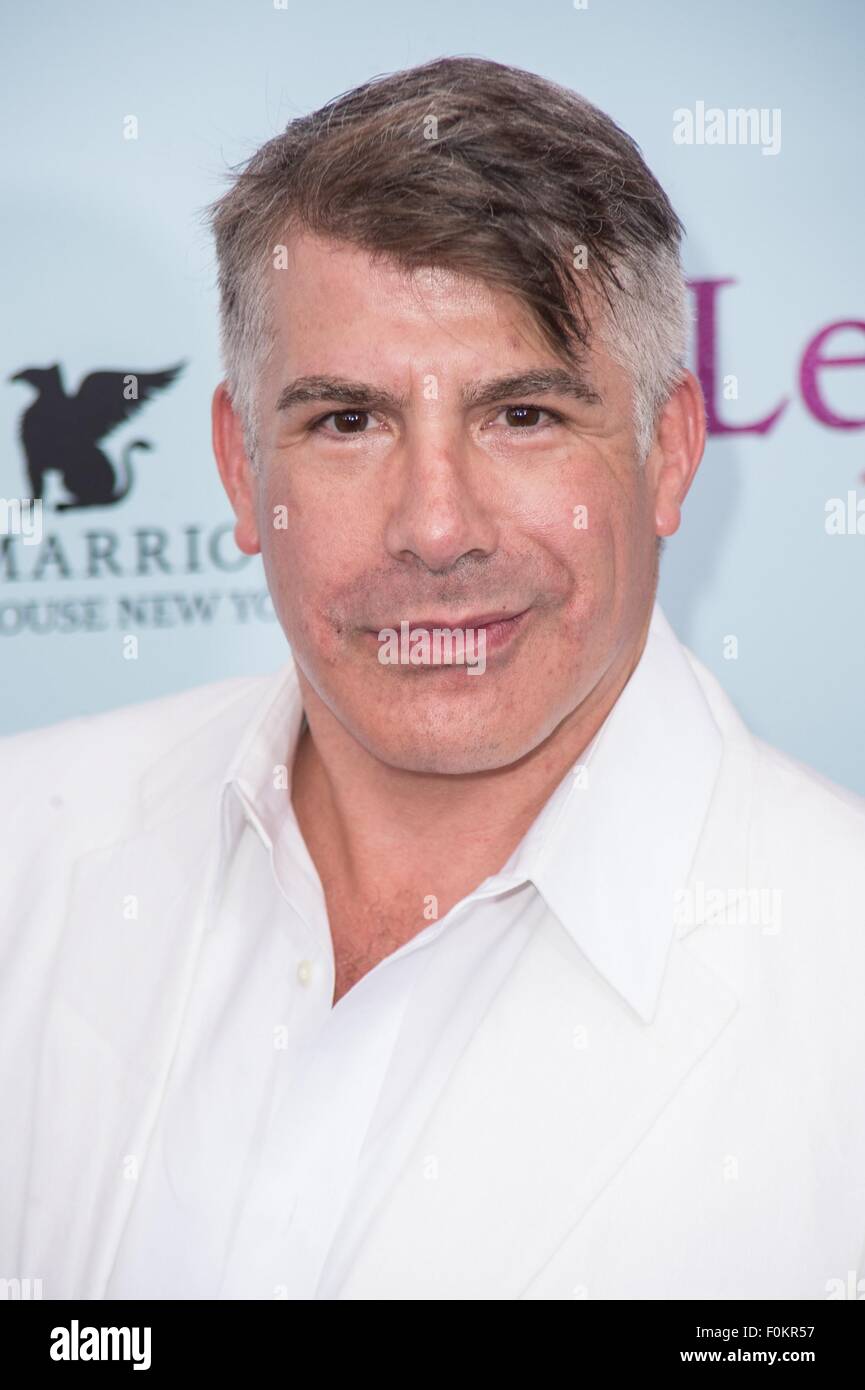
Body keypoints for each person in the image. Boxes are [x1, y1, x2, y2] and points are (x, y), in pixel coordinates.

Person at [2, 55, 864, 1302]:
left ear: (666, 452)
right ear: (244, 472)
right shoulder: (29, 848)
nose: (436, 526)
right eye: (347, 422)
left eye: (522, 415)